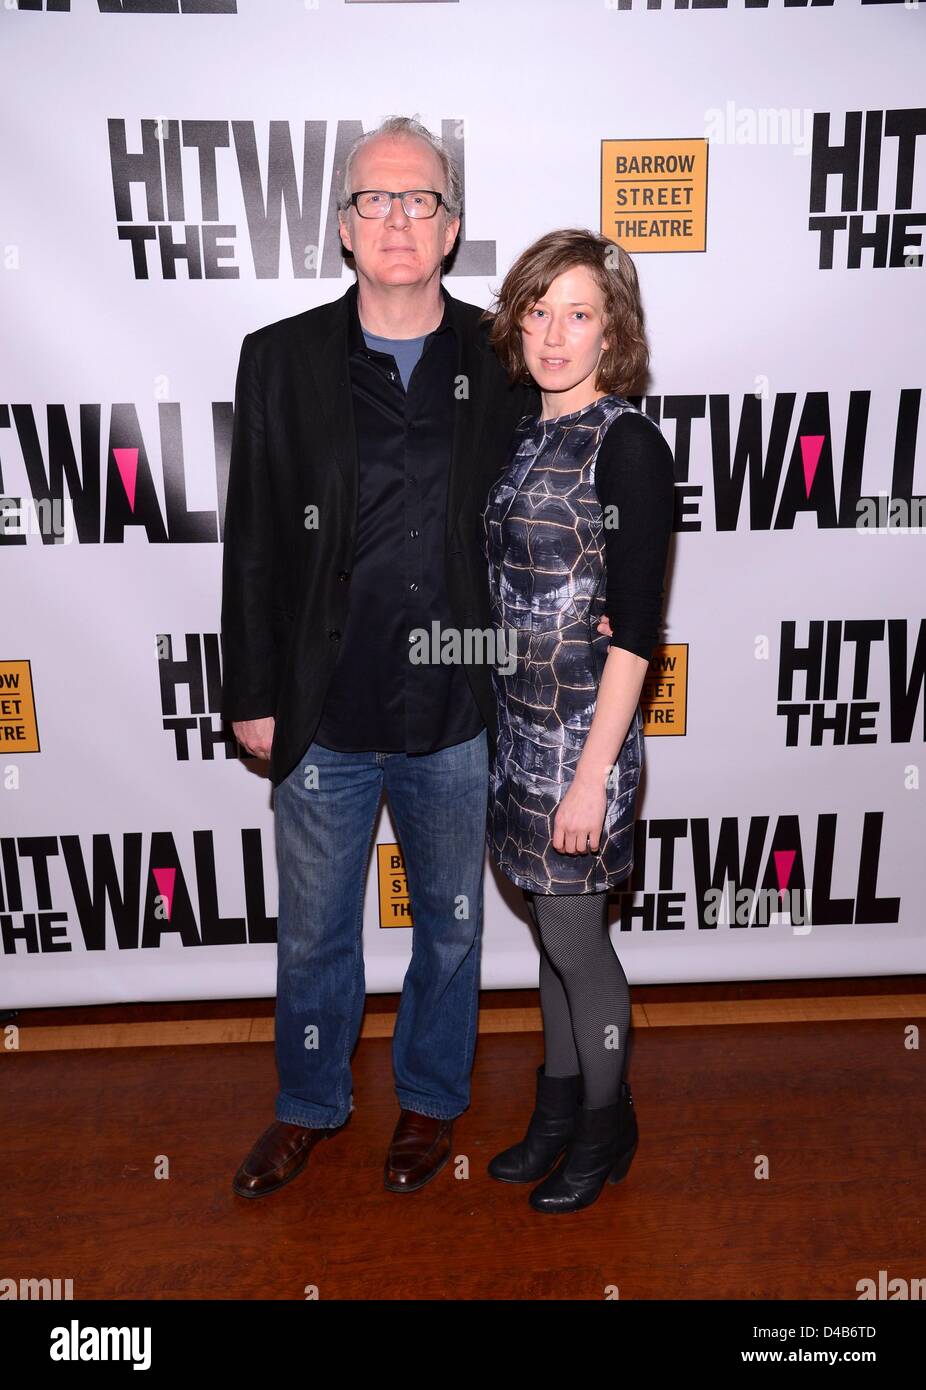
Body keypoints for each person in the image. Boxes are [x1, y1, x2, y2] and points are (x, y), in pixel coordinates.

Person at [221, 115, 538, 1198]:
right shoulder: (281, 358)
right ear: (342, 226)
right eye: (374, 200)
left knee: (448, 932)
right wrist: (252, 694)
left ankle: (430, 1101)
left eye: (420, 200)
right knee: (314, 938)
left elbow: (542, 513)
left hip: (455, 707)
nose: (397, 220)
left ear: (451, 227)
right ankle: (309, 1104)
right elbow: (255, 536)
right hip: (321, 711)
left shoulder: (502, 358)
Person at [480, 228, 675, 1213]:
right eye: (537, 309)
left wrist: (592, 775)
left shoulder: (627, 444)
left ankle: (607, 1124)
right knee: (554, 939)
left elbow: (636, 632)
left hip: (577, 746)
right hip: (516, 732)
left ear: (612, 330)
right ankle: (558, 1109)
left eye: (578, 312)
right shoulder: (524, 428)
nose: (554, 333)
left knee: (577, 943)